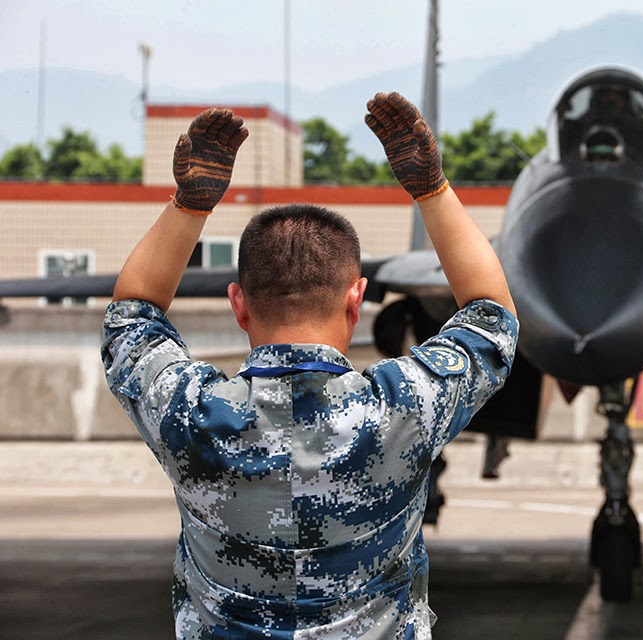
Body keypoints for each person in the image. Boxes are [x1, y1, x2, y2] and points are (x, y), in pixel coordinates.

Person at [101, 94, 518, 639]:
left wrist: (190, 204)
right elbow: (491, 317)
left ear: (238, 304)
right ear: (356, 300)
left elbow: (132, 316)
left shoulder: (188, 415)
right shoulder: (405, 408)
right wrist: (431, 188)